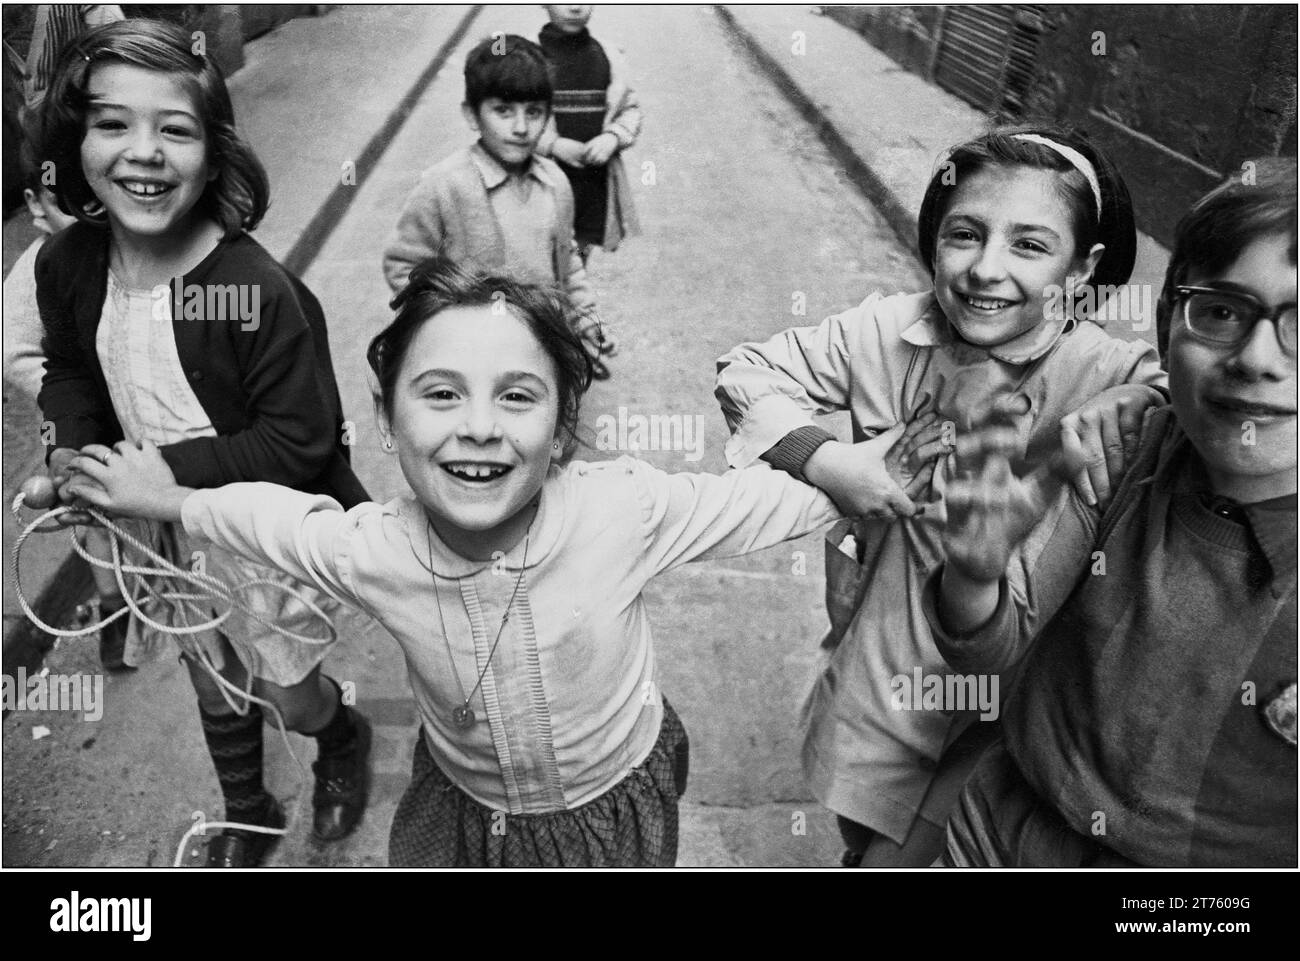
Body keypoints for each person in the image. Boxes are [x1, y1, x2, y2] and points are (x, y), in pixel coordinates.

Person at [63, 255, 947, 867]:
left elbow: (748, 502)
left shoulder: (620, 508)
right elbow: (276, 519)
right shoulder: (372, 545)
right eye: (440, 394)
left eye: (516, 396)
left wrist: (851, 475)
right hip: (463, 808)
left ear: (563, 430)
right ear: (385, 420)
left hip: (612, 802)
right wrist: (168, 497)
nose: (479, 425)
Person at [714, 124, 1168, 866]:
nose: (986, 269)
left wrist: (1123, 406)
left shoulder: (1105, 368)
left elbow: (1183, 408)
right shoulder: (887, 330)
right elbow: (745, 371)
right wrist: (832, 463)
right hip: (884, 666)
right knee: (865, 837)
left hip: (1015, 697)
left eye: (1029, 245)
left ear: (1081, 270)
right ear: (934, 241)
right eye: (965, 234)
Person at [34, 19, 371, 866]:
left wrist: (162, 479)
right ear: (75, 143)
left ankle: (341, 737)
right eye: (112, 123)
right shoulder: (69, 264)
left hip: (258, 532)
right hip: (164, 540)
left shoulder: (247, 291)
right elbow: (70, 369)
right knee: (210, 671)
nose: (142, 151)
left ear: (213, 153)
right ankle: (248, 807)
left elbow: (296, 441)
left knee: (283, 689)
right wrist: (74, 453)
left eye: (173, 128)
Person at [926, 158, 1296, 867]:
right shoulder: (1125, 451)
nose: (1256, 357)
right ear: (1166, 323)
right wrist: (975, 572)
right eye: (1220, 310)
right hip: (994, 839)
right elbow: (993, 642)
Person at [382, 33, 615, 376]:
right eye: (503, 111)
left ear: (548, 116)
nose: (521, 127)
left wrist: (585, 321)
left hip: (543, 349)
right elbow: (404, 267)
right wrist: (449, 327)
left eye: (534, 112)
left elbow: (568, 262)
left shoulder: (555, 182)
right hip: (470, 359)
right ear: (472, 115)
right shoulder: (443, 185)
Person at [4, 132, 135, 671]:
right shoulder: (40, 270)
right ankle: (115, 611)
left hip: (140, 418)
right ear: (35, 206)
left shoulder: (112, 251)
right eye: (68, 208)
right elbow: (16, 356)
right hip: (85, 423)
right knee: (94, 516)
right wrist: (80, 404)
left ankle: (159, 578)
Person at [535, 5, 641, 266]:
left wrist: (613, 137)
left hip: (590, 184)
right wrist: (552, 144)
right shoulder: (526, 56)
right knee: (538, 258)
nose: (575, 7)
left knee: (576, 261)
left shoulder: (608, 55)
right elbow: (505, 116)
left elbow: (630, 109)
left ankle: (570, 303)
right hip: (540, 182)